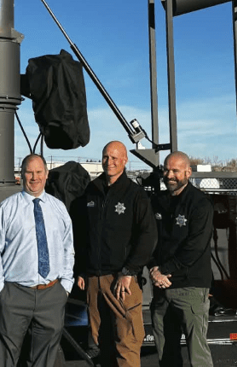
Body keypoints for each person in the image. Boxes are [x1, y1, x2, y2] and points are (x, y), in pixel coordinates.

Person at [71, 141, 157, 367]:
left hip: (121, 281)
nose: (110, 162)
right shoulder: (91, 191)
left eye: (115, 158)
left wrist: (129, 271)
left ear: (125, 160)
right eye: (106, 157)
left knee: (127, 342)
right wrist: (81, 269)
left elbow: (148, 236)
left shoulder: (135, 195)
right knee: (101, 341)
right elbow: (81, 235)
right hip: (93, 280)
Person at [0, 153, 75, 367]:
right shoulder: (7, 208)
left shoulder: (58, 208)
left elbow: (68, 248)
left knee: (44, 360)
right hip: (14, 294)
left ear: (46, 175)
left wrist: (65, 285)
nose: (34, 177)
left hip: (51, 294)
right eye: (29, 172)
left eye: (38, 172)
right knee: (5, 358)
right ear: (22, 174)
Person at [148, 151, 214, 367]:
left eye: (175, 170)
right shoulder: (158, 202)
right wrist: (152, 269)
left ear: (188, 172)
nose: (169, 175)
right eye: (166, 170)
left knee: (198, 354)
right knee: (166, 352)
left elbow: (194, 248)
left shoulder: (200, 204)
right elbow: (148, 240)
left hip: (190, 288)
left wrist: (163, 270)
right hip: (161, 288)